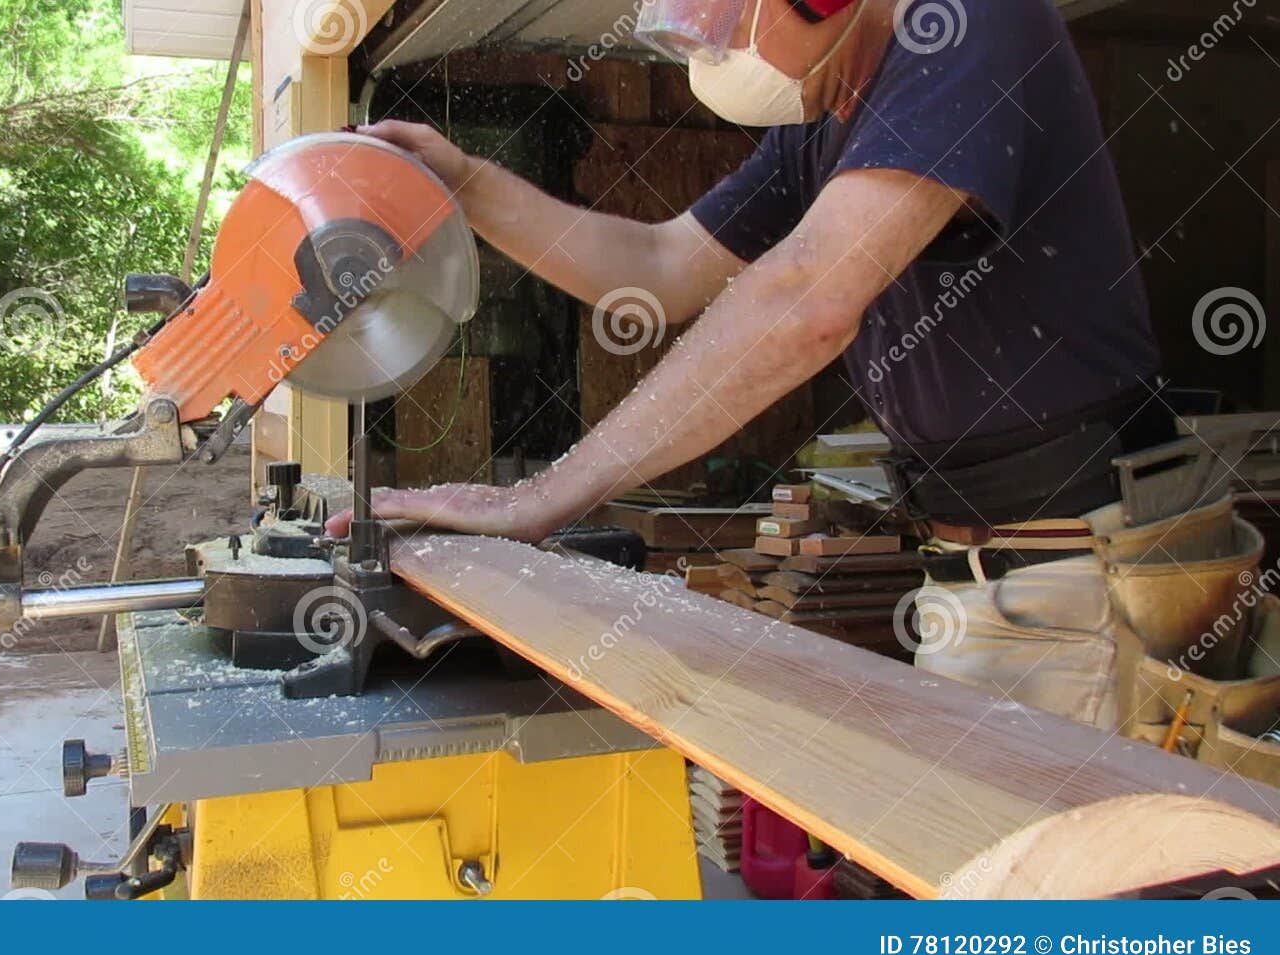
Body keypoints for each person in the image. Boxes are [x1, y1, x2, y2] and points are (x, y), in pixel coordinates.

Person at [328, 0, 1212, 730]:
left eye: (719, 9)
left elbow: (808, 301)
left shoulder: (972, 24)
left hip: (1078, 569)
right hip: (982, 563)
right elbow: (659, 270)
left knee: (1052, 917)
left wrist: (539, 498)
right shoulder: (827, 114)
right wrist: (467, 183)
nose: (701, 38)